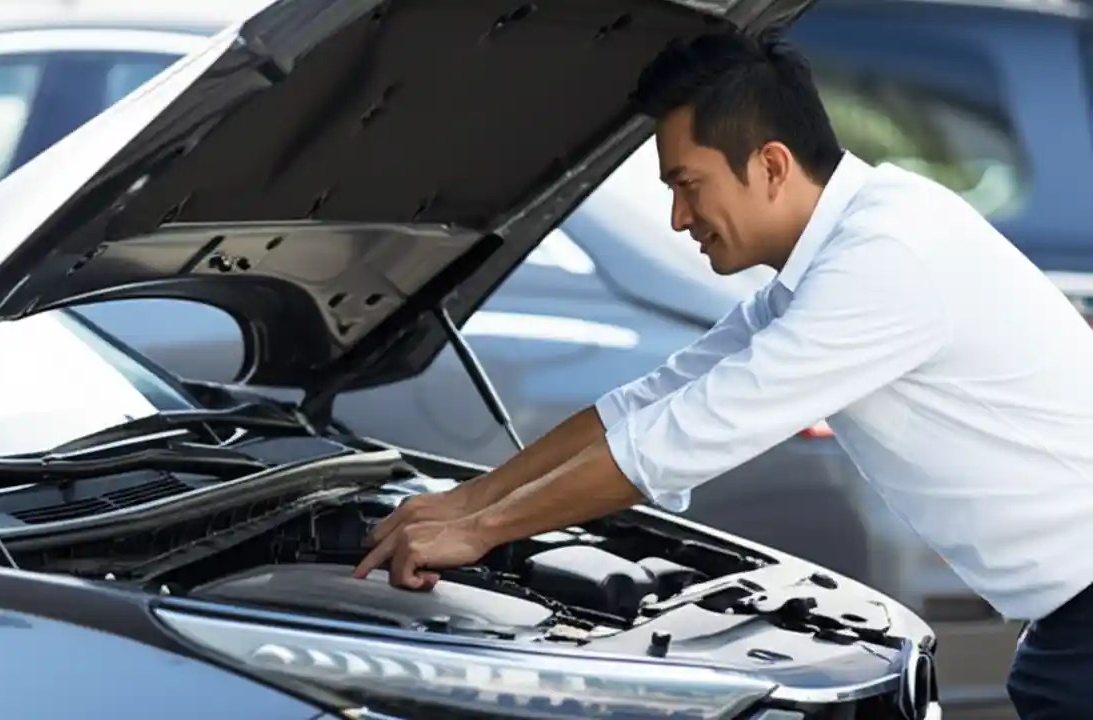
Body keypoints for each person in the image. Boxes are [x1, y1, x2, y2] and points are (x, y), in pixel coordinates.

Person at [352, 28, 1093, 719]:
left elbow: (675, 442)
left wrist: (482, 531)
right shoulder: (837, 258)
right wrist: (463, 503)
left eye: (687, 184)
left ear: (770, 165)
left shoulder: (886, 260)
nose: (678, 217)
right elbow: (648, 403)